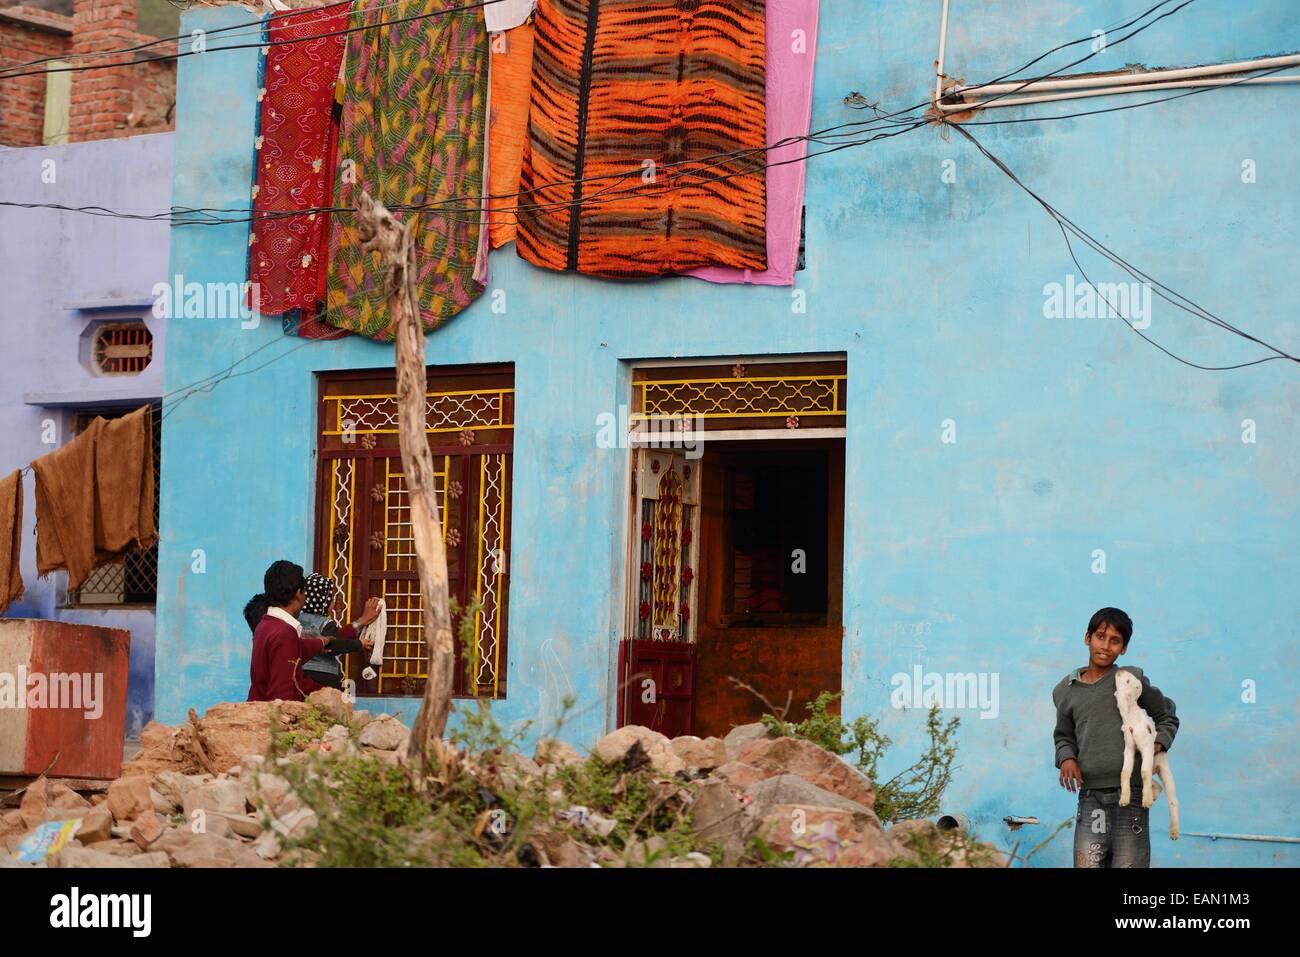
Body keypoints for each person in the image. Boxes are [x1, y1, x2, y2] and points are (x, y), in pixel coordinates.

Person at [1052, 607, 1179, 868]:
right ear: (1087, 638)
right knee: (1086, 864)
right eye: (1100, 636)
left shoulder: (1130, 680)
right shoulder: (1066, 690)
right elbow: (1063, 735)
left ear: (1123, 648)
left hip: (1130, 796)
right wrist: (1066, 758)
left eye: (1115, 641)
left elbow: (1167, 715)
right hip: (1090, 797)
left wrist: (1156, 744)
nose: (1105, 646)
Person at [245, 560, 333, 702]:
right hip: (272, 719)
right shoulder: (284, 633)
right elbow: (282, 696)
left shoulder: (264, 625)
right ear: (299, 594)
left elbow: (298, 649)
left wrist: (322, 641)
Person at [297, 573, 380, 689]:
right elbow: (335, 643)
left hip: (299, 673)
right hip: (323, 677)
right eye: (331, 600)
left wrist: (360, 622)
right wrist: (359, 644)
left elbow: (337, 635)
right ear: (324, 602)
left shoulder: (295, 620)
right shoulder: (325, 623)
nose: (334, 603)